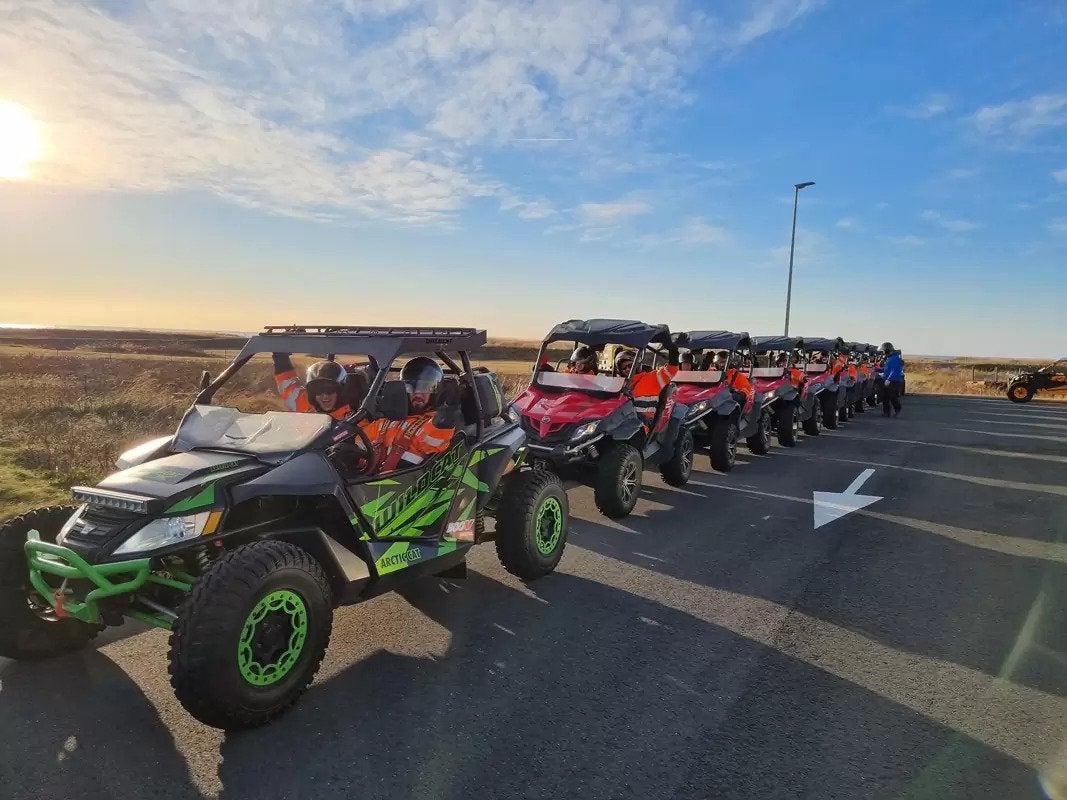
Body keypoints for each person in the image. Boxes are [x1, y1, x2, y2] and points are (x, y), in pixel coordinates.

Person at [361, 356, 461, 471]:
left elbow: (435, 438)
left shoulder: (431, 425)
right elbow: (359, 438)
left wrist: (447, 413)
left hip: (405, 484)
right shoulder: (386, 419)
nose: (417, 393)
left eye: (425, 387)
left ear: (436, 391)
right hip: (367, 482)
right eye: (411, 387)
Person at [273, 354, 353, 419]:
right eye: (318, 390)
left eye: (330, 390)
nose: (325, 396)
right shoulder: (304, 403)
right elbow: (286, 382)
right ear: (312, 393)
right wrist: (280, 356)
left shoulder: (355, 419)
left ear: (340, 391)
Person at [878, 342, 904, 417]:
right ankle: (886, 412)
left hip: (893, 381)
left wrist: (888, 379)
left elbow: (894, 370)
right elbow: (887, 369)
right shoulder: (889, 358)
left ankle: (897, 409)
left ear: (887, 350)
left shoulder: (894, 359)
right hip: (888, 380)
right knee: (885, 397)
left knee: (892, 396)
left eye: (883, 351)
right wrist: (877, 370)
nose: (883, 353)